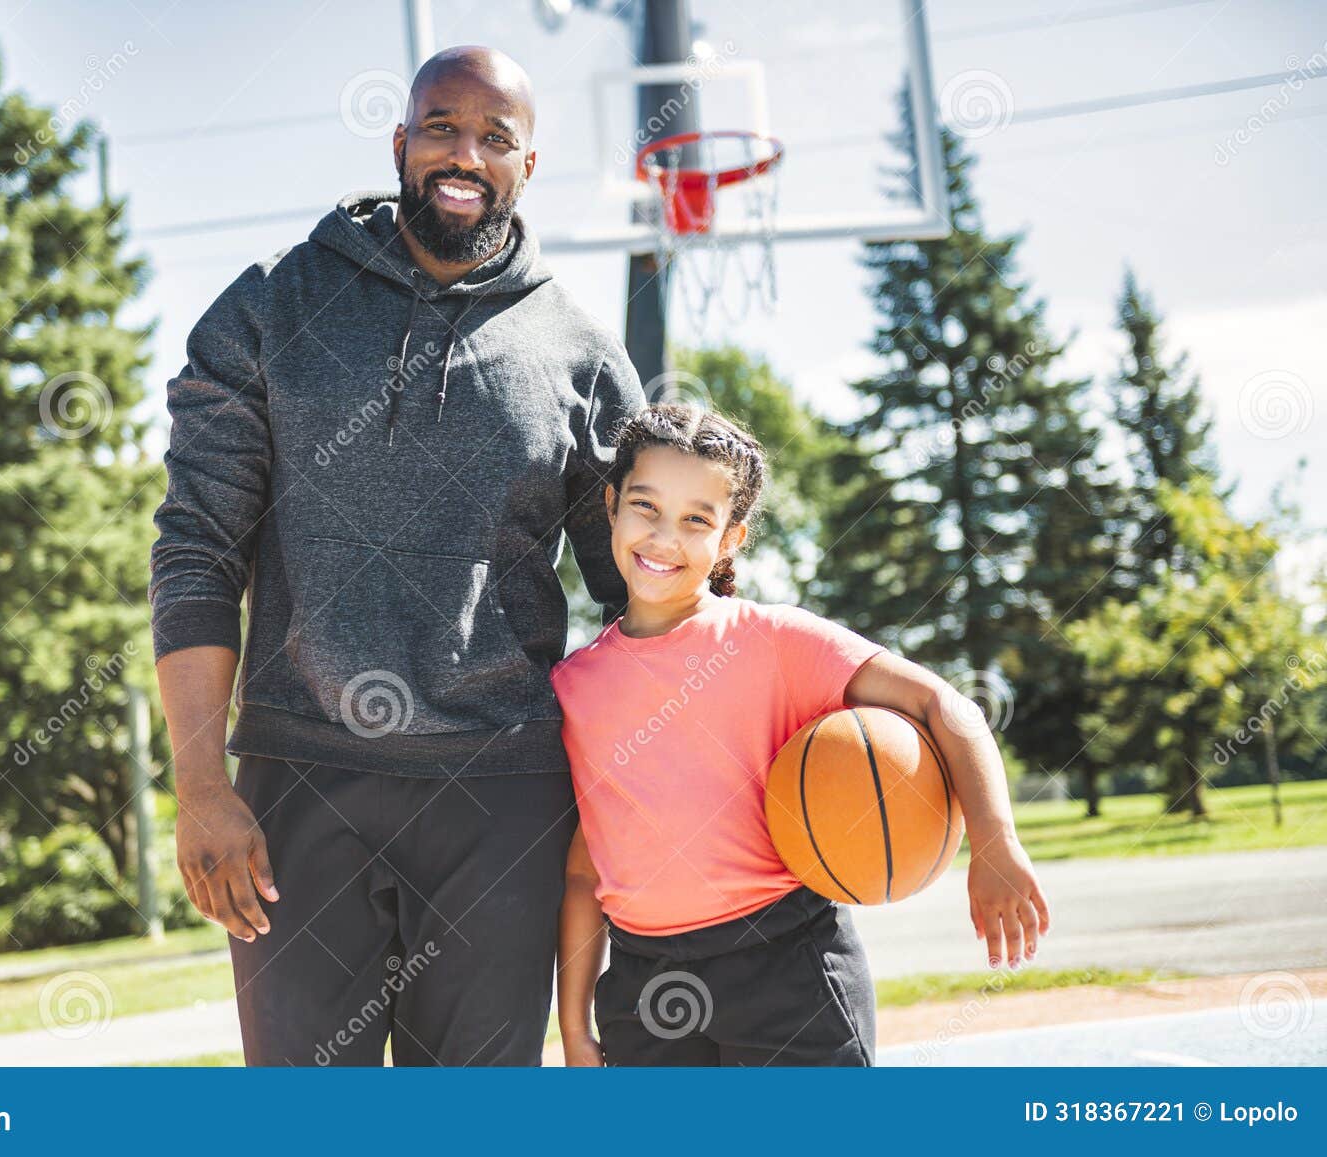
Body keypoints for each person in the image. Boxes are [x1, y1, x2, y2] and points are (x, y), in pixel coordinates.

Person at [148, 46, 645, 1066]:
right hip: (299, 781)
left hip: (502, 792)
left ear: (527, 164)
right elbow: (197, 551)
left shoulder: (580, 353)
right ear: (400, 143)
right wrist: (201, 784)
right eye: (441, 127)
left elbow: (645, 594)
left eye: (494, 137)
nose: (465, 153)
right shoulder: (268, 309)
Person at [551, 403, 1051, 1066]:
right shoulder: (575, 685)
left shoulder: (776, 642)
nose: (663, 537)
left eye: (697, 518)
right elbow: (585, 869)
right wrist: (576, 1021)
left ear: (731, 538)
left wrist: (994, 839)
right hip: (645, 991)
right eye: (645, 505)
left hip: (789, 969)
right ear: (611, 504)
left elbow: (947, 706)